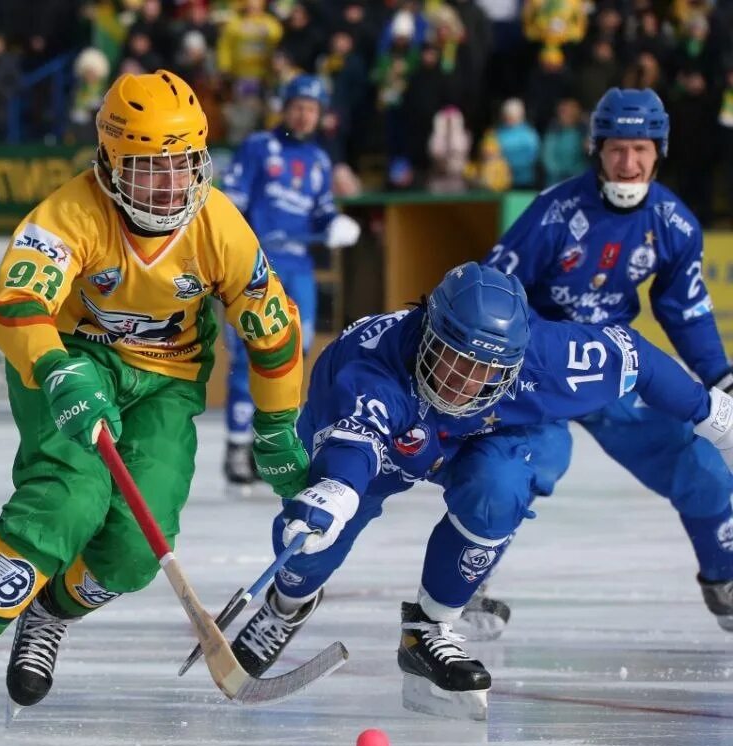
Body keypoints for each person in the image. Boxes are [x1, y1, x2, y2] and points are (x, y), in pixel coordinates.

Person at [0, 70, 312, 738]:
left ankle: (49, 609)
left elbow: (274, 330)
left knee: (137, 552)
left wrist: (279, 426)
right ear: (109, 164)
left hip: (166, 385)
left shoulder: (220, 227)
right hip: (70, 365)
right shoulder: (71, 213)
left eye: (183, 167)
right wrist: (55, 367)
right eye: (147, 170)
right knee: (66, 502)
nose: (169, 187)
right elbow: (16, 306)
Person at [227, 262, 733, 720]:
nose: (465, 381)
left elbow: (637, 358)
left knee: (503, 485)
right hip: (379, 431)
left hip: (478, 436)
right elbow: (353, 447)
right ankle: (286, 604)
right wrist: (334, 489)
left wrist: (714, 416)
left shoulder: (549, 356)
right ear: (428, 330)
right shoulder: (370, 370)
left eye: (487, 370)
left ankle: (429, 630)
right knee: (317, 535)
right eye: (453, 359)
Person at [465, 88, 733, 639]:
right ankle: (465, 581)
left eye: (639, 149)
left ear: (659, 151)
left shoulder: (674, 223)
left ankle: (725, 579)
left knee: (702, 464)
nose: (627, 163)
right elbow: (497, 290)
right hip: (535, 367)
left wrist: (721, 377)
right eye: (616, 149)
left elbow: (684, 310)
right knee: (518, 467)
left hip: (612, 366)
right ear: (596, 148)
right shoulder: (554, 211)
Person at [220, 74, 360, 494]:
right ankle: (237, 446)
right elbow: (231, 203)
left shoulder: (319, 160)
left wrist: (333, 222)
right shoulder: (259, 147)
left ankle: (273, 445)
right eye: (299, 105)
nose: (304, 114)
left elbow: (320, 210)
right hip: (259, 264)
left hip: (299, 269)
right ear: (286, 106)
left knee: (293, 355)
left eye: (313, 109)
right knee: (250, 354)